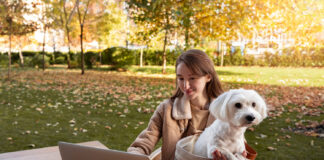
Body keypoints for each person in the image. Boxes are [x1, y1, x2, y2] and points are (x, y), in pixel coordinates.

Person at [127, 49, 256, 160]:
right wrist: (134, 156)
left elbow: (240, 148)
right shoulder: (166, 109)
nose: (185, 85)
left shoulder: (228, 111)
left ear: (208, 77)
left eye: (192, 78)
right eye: (181, 78)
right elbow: (144, 142)